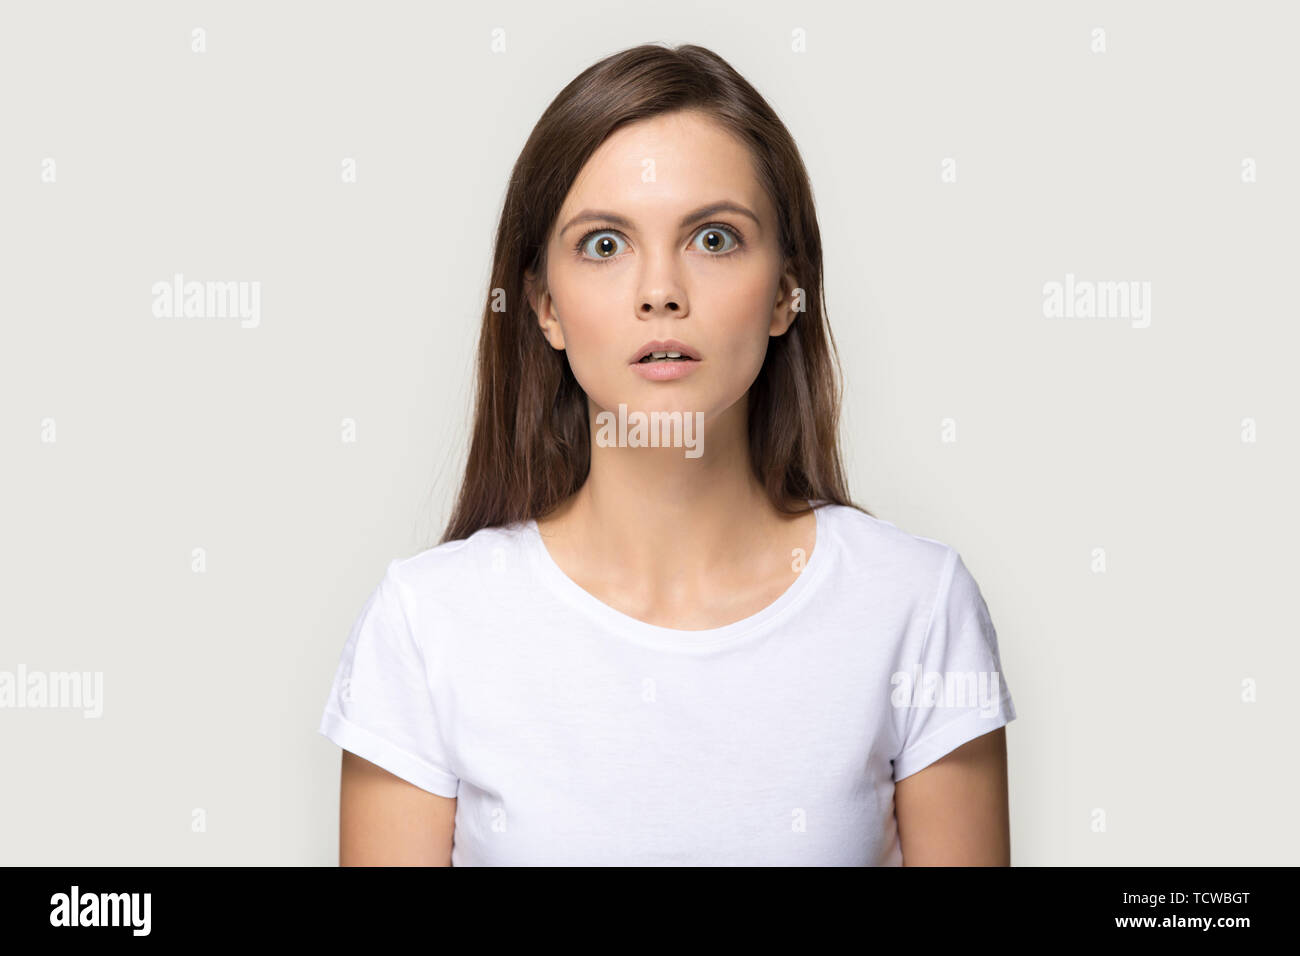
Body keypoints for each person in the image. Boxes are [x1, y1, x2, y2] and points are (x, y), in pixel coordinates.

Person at [318, 42, 1015, 866]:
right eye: (604, 245)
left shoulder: (916, 608)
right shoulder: (426, 626)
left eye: (714, 238)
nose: (661, 291)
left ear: (788, 292)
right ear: (544, 307)